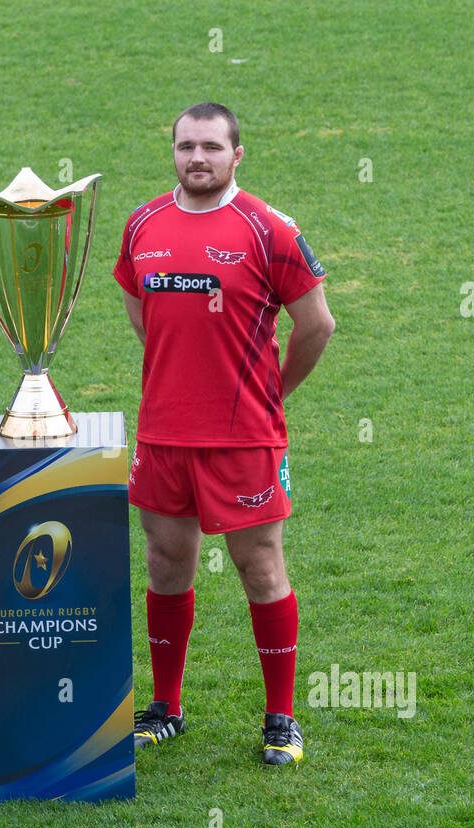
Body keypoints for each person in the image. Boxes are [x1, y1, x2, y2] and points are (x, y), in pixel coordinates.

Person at [113, 102, 335, 766]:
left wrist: (272, 391)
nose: (197, 158)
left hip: (244, 440)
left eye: (211, 146)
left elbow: (317, 325)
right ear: (173, 151)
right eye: (185, 146)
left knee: (260, 567)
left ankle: (280, 718)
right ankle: (167, 707)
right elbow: (141, 311)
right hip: (163, 435)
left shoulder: (269, 231)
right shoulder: (143, 224)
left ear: (238, 154)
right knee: (166, 563)